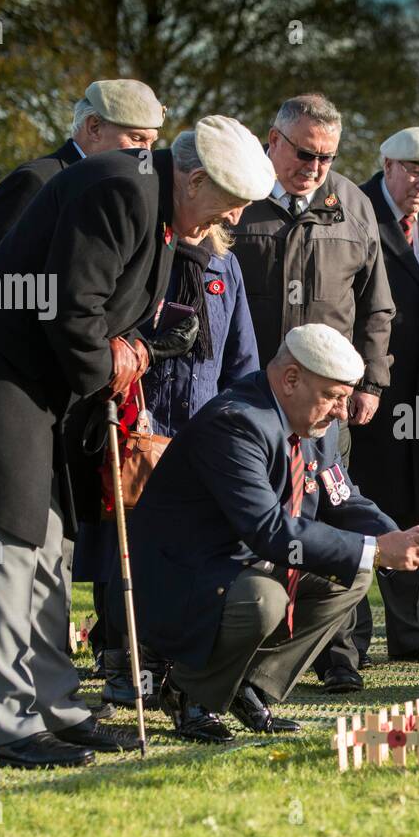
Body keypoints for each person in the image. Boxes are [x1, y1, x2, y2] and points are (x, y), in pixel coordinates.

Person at [0, 115, 276, 769]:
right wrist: (135, 353)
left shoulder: (165, 208)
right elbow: (71, 312)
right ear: (196, 177)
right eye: (227, 203)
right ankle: (6, 725)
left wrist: (141, 344)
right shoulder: (122, 190)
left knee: (50, 550)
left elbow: (112, 317)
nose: (227, 218)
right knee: (3, 554)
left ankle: (56, 706)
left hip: (41, 398)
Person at [110, 325, 419, 742]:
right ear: (291, 380)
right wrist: (378, 550)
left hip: (241, 566)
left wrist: (399, 538)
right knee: (264, 600)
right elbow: (269, 530)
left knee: (351, 575)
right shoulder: (237, 422)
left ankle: (250, 684)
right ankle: (189, 692)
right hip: (182, 580)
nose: (343, 411)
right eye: (336, 396)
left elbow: (342, 500)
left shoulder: (312, 422)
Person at [74, 182, 261, 710]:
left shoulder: (226, 267)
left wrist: (237, 426)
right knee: (125, 555)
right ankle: (120, 667)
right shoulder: (144, 251)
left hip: (200, 434)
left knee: (187, 557)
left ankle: (174, 669)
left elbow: (242, 362)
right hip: (136, 430)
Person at [316, 127, 419, 676]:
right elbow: (345, 304)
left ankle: (411, 633)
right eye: (412, 171)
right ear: (385, 163)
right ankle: (346, 647)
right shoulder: (348, 208)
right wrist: (354, 385)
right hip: (362, 395)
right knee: (355, 514)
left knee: (411, 513)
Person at [228, 92, 394, 447]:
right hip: (244, 396)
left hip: (325, 408)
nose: (314, 167)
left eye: (326, 158)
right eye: (305, 153)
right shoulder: (234, 192)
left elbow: (375, 306)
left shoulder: (355, 207)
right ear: (274, 140)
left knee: (322, 500)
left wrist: (370, 384)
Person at [0, 79, 164, 265]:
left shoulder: (123, 194)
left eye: (151, 143)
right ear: (94, 127)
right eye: (137, 138)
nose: (145, 153)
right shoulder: (35, 181)